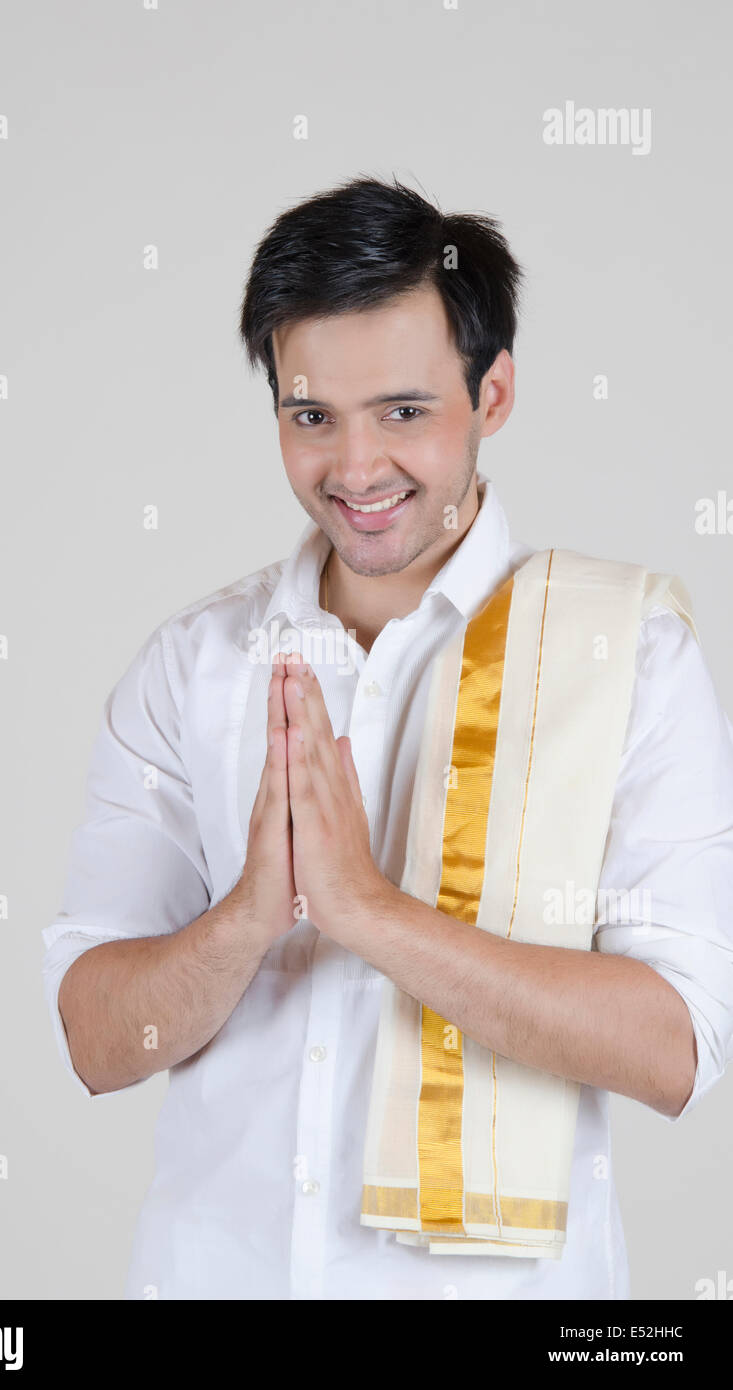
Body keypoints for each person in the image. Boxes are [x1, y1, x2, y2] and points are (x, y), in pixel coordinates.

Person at [41, 175, 733, 1300]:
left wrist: (369, 912)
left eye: (404, 411)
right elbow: (96, 1041)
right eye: (312, 416)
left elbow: (677, 1049)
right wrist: (248, 920)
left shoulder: (628, 654)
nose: (356, 469)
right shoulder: (194, 664)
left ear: (493, 392)